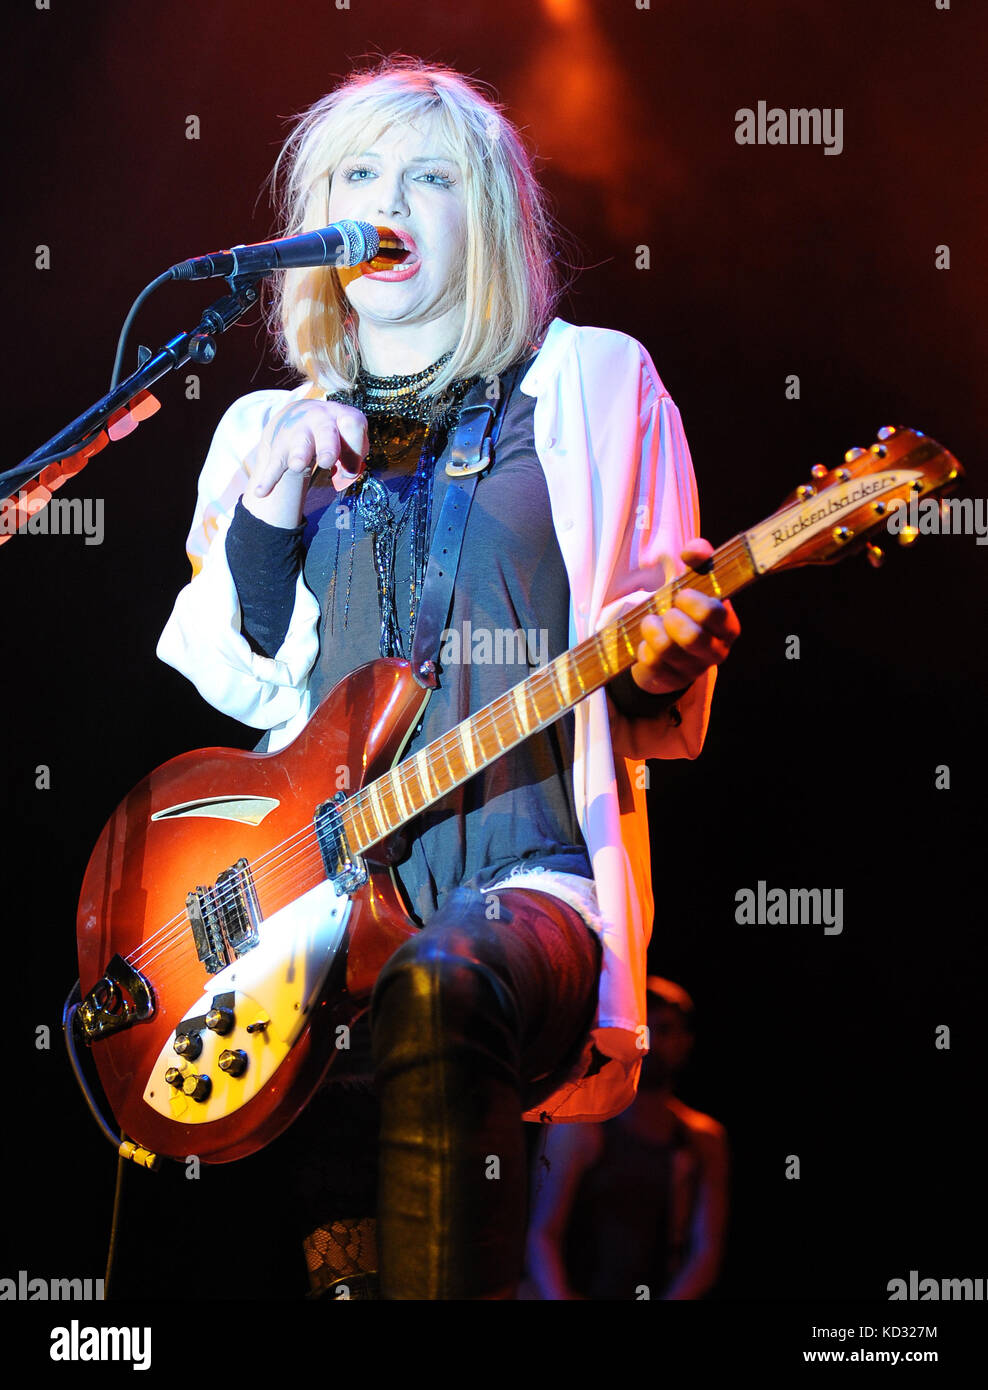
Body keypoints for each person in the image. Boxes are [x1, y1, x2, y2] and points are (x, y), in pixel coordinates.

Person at [156, 55, 740, 1300]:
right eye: (358, 178)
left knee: (444, 986)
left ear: (490, 214)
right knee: (346, 1269)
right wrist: (272, 510)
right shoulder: (266, 428)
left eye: (430, 178)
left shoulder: (592, 384)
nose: (391, 204)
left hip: (529, 883)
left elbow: (641, 670)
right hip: (318, 919)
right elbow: (245, 686)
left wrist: (668, 653)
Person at [523, 977, 729, 1299]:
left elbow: (705, 1251)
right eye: (642, 1029)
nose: (650, 1042)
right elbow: (542, 1234)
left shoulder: (702, 1138)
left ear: (686, 1041)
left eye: (664, 1029)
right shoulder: (580, 1125)